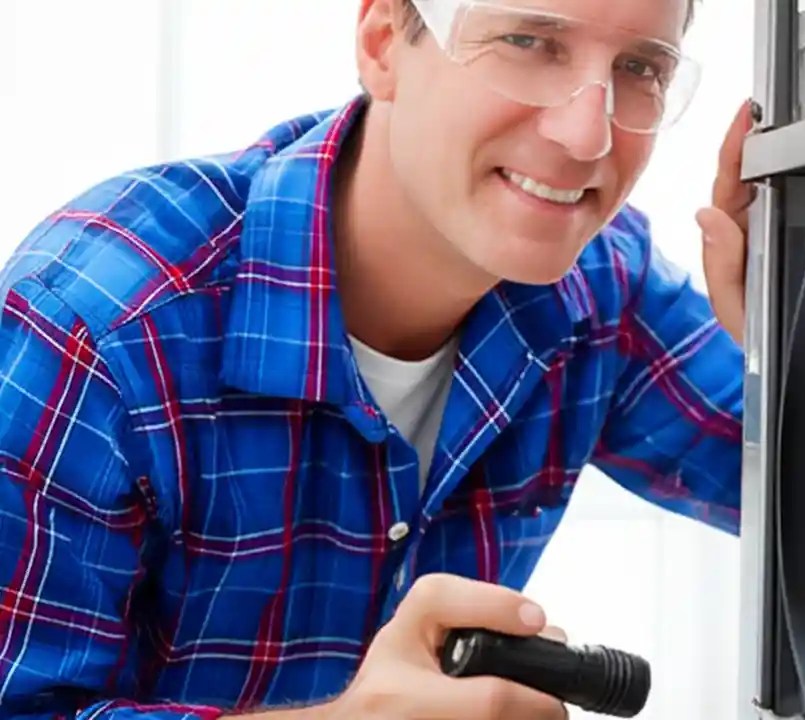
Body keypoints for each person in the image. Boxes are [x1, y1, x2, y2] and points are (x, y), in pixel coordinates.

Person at [0, 0, 754, 717]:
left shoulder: (602, 287)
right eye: (528, 42)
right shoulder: (100, 321)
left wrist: (791, 321)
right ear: (384, 41)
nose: (588, 134)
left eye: (641, 68)